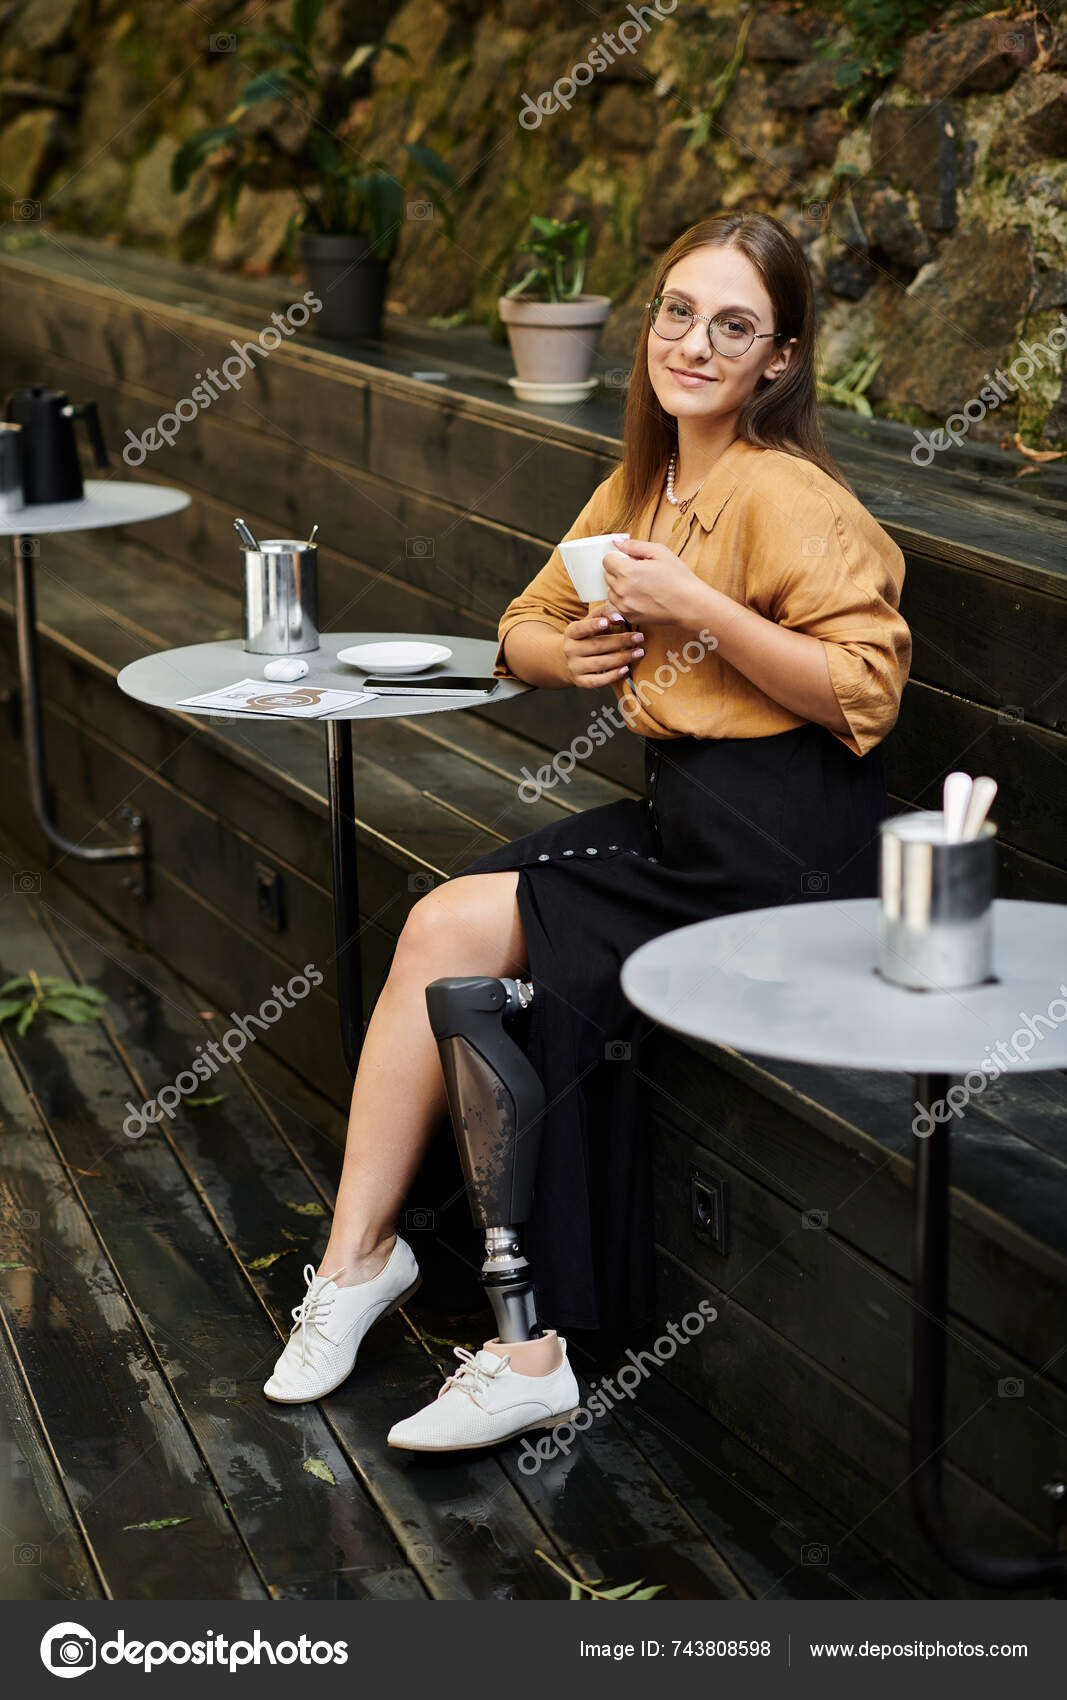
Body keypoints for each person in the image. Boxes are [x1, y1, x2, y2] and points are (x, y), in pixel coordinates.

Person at [262, 210, 912, 1451]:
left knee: (543, 968)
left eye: (734, 326)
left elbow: (863, 693)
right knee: (439, 925)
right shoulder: (641, 484)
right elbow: (521, 625)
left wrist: (699, 608)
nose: (694, 343)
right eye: (678, 311)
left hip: (784, 853)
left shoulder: (790, 496)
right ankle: (358, 1260)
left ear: (778, 359)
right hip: (684, 818)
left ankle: (534, 1347)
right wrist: (574, 655)